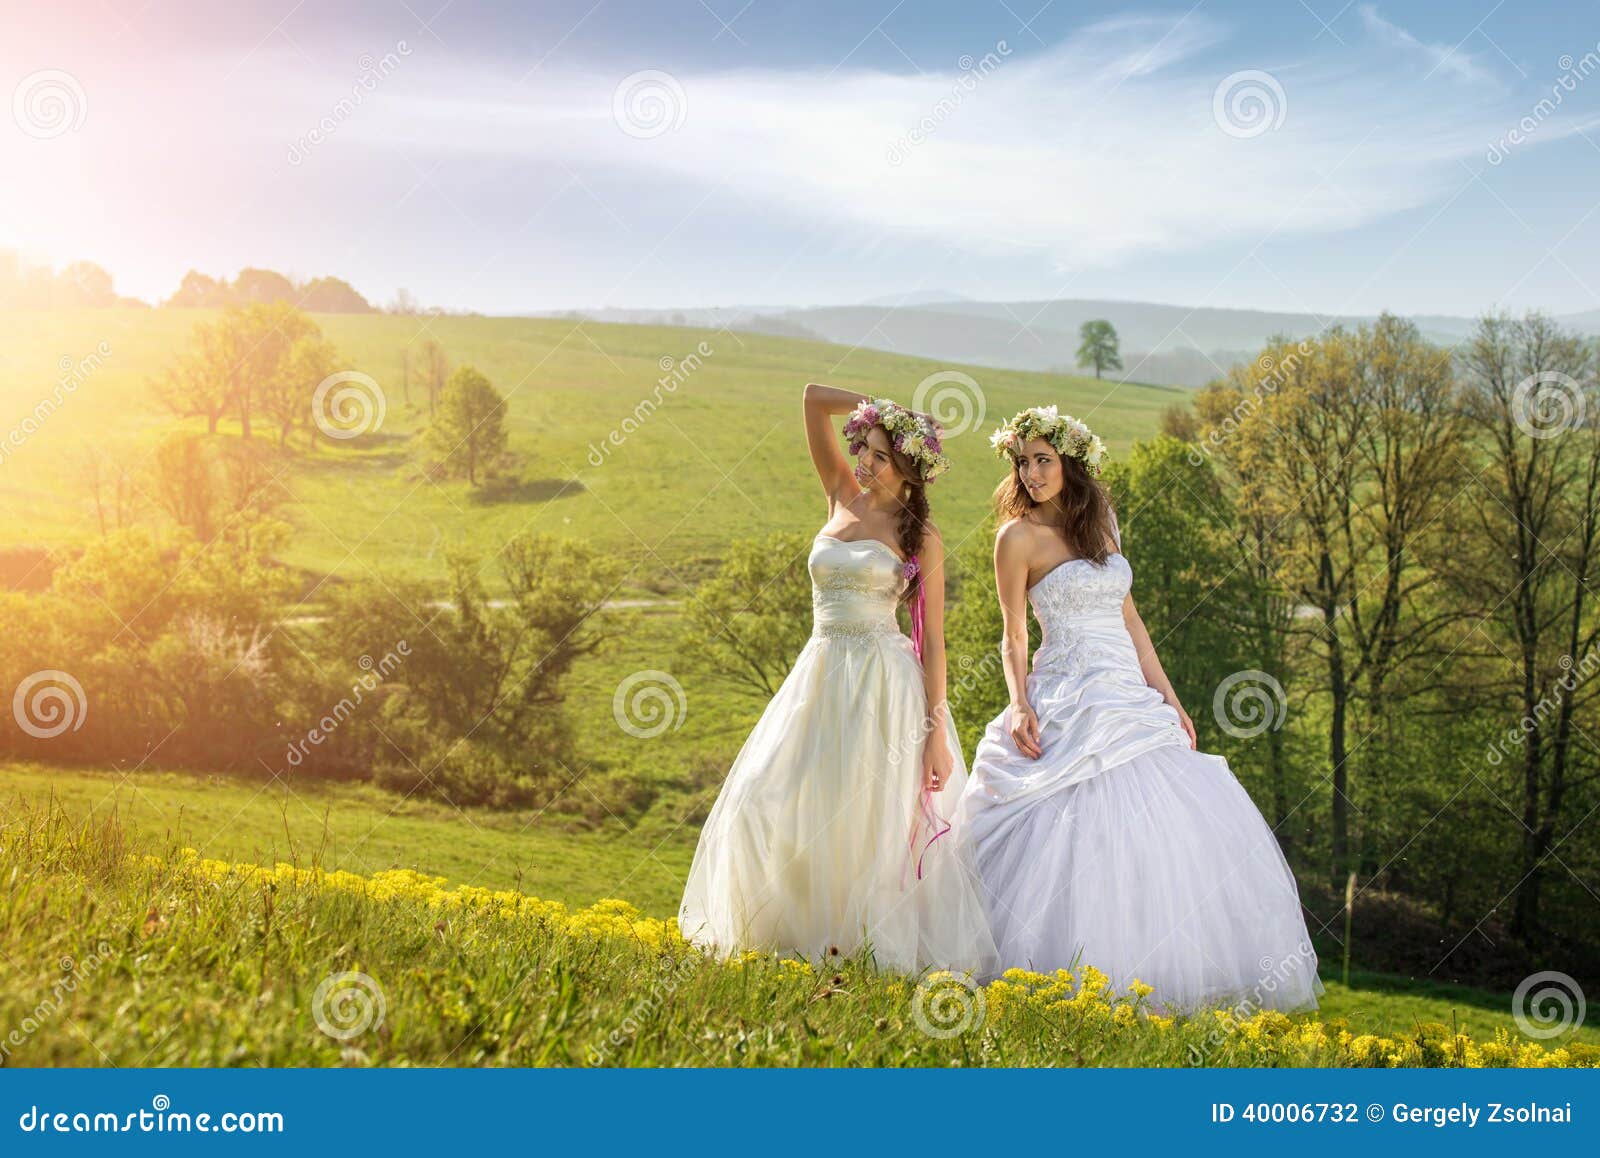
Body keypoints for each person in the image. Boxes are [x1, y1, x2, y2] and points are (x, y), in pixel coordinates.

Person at [956, 405, 1323, 1012]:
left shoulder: (1103, 525)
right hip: (1067, 693)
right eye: (1022, 463)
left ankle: (1158, 978)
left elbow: (1132, 621)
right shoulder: (1016, 537)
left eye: (1043, 461)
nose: (1031, 474)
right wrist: (1019, 703)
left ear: (1071, 464)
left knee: (1164, 826)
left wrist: (1171, 700)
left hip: (1128, 696)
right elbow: (1013, 634)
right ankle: (1052, 978)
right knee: (1068, 826)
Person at [677, 384, 999, 976]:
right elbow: (809, 398)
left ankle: (857, 952)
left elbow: (935, 644)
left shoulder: (919, 537)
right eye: (866, 450)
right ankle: (781, 932)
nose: (866, 463)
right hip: (819, 671)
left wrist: (932, 731)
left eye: (881, 454)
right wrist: (882, 407)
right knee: (764, 796)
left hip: (883, 685)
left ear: (909, 469)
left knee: (865, 818)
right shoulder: (839, 495)